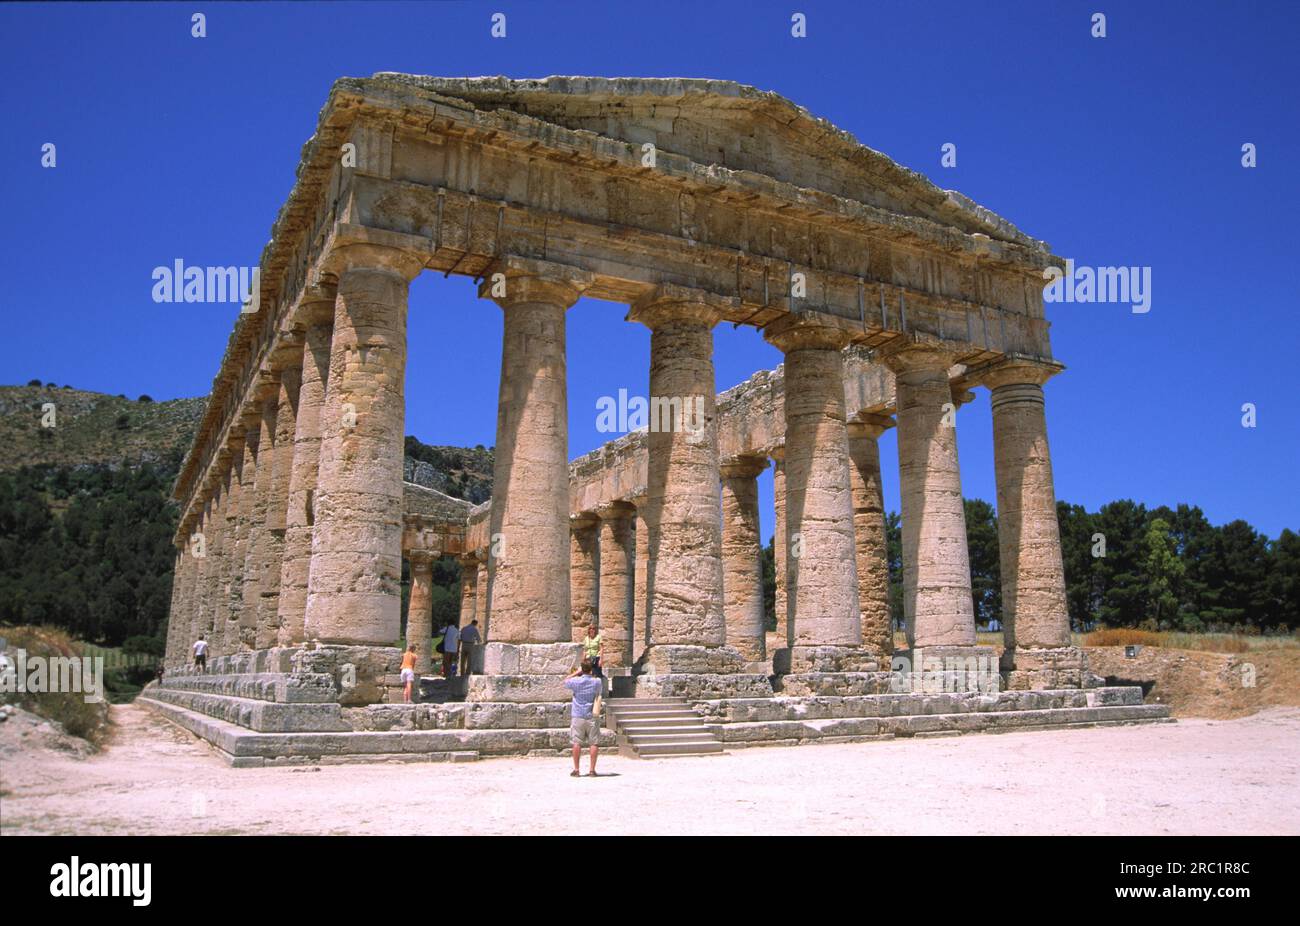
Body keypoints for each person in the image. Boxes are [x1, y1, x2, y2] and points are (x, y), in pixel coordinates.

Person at [564, 660, 603, 777]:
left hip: (578, 715)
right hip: (592, 715)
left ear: (582, 669)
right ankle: (592, 770)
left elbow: (566, 681)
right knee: (594, 743)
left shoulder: (575, 682)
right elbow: (599, 692)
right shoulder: (597, 682)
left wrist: (576, 673)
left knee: (576, 743)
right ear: (591, 669)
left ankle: (576, 770)